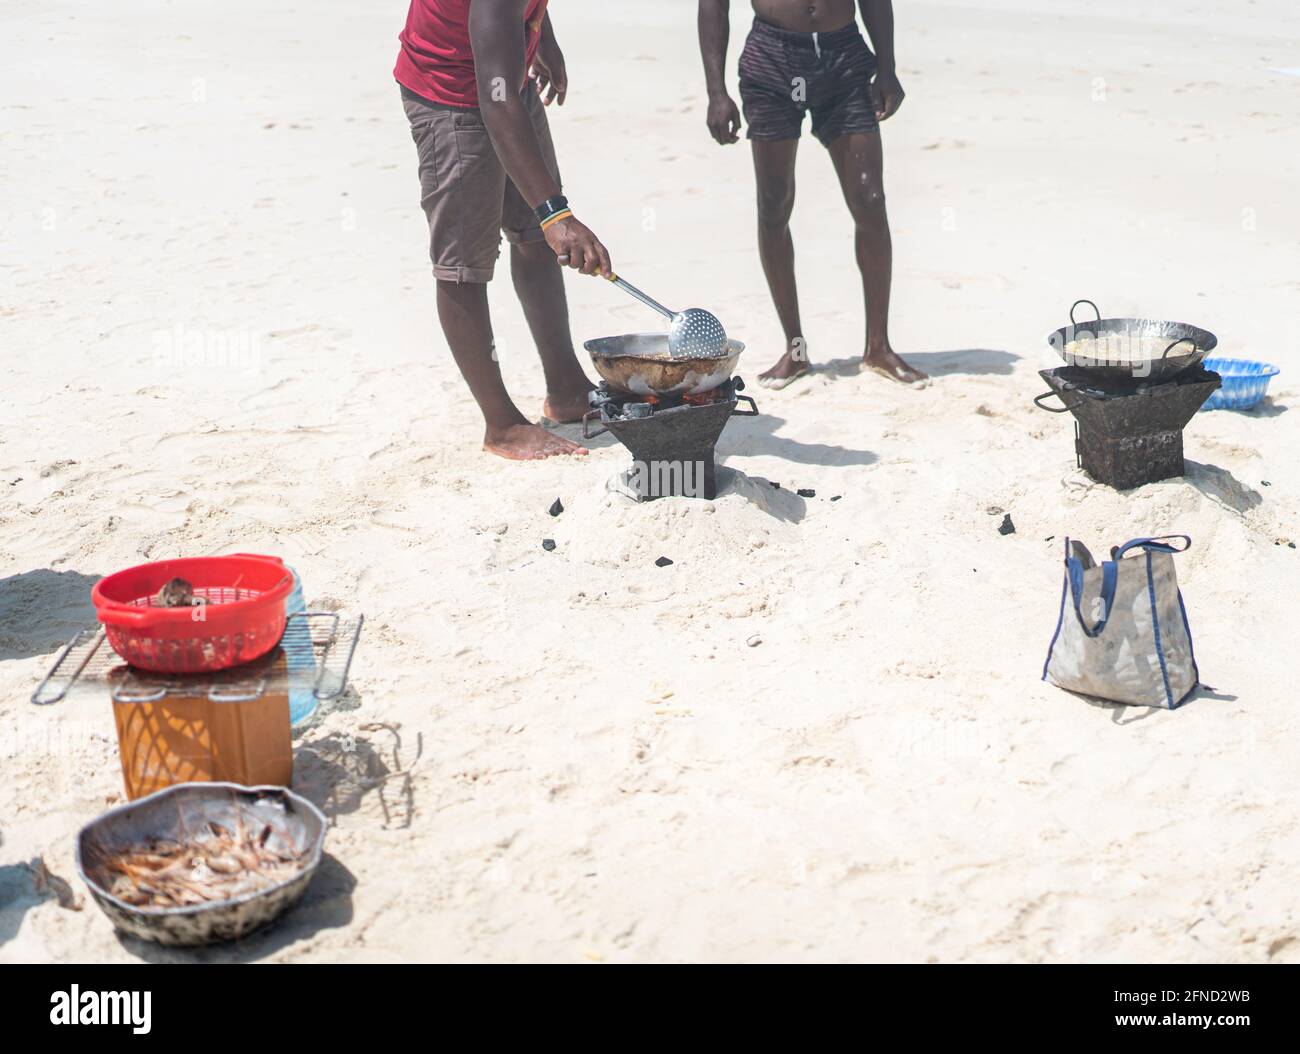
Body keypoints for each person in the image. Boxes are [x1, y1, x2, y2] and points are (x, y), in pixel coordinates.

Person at [395, 0, 613, 460]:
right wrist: (556, 213)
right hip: (452, 94)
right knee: (464, 266)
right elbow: (495, 102)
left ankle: (568, 389)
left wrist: (542, 37)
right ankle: (503, 425)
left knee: (536, 238)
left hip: (507, 77)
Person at [697, 0, 926, 389]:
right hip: (772, 60)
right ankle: (796, 349)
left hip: (844, 60)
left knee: (871, 203)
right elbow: (713, 6)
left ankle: (878, 346)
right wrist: (716, 92)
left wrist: (886, 68)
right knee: (774, 206)